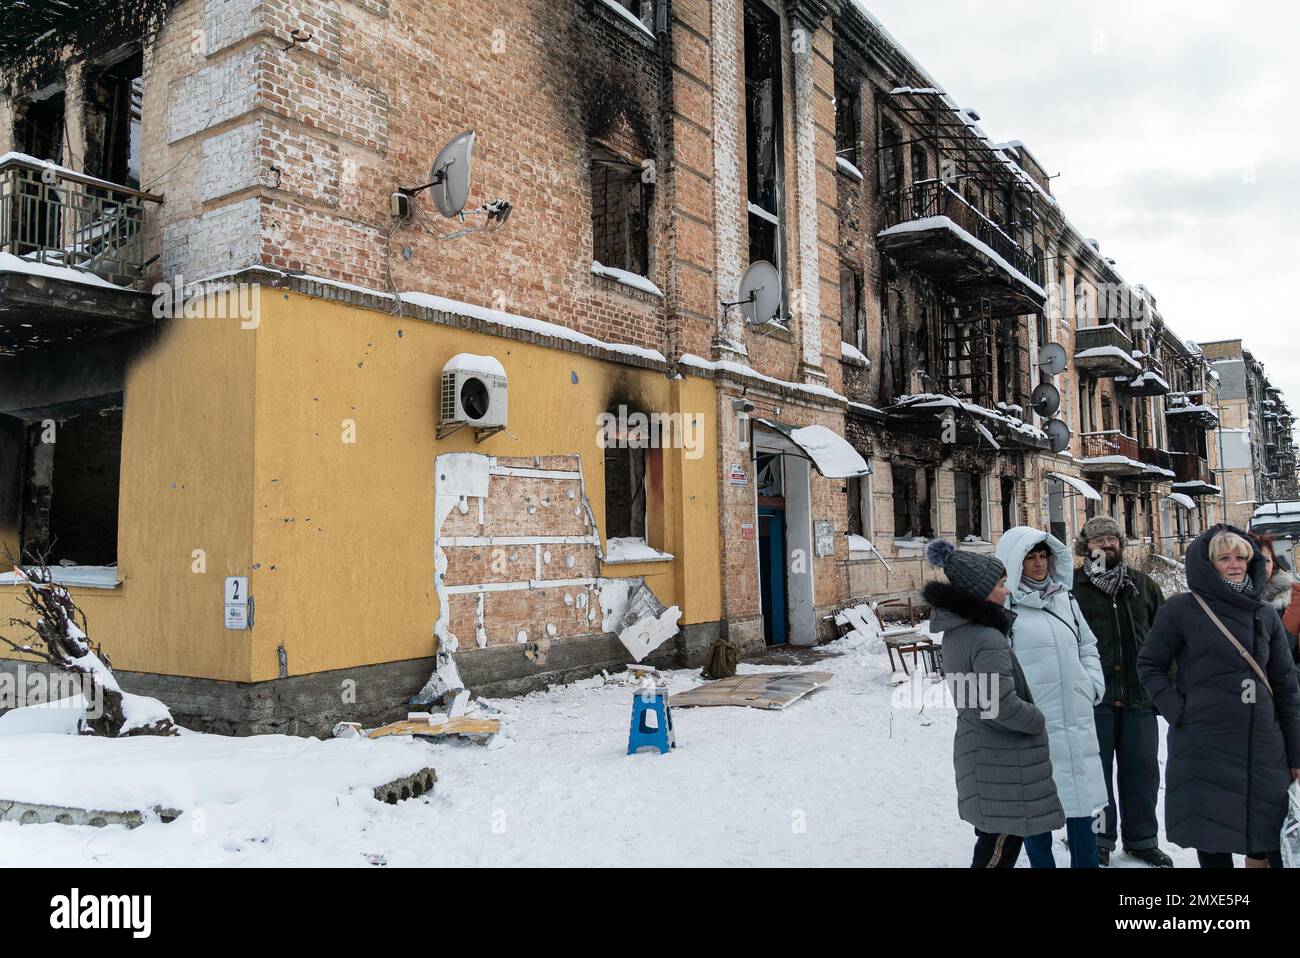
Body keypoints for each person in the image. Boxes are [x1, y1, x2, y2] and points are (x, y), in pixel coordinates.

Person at [1138, 526, 1300, 868]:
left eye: (1241, 557)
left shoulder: (1265, 614)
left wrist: (1295, 753)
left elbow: (1286, 687)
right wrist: (1179, 711)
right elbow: (1150, 665)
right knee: (1211, 835)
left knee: (1268, 835)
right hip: (1204, 743)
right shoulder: (1181, 609)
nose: (1235, 564)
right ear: (1208, 564)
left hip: (1263, 745)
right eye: (1224, 558)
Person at [924, 538, 1065, 868]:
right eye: (1002, 585)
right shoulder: (985, 637)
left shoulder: (961, 631)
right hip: (1001, 760)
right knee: (997, 851)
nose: (1008, 591)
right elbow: (998, 704)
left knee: (993, 843)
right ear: (982, 592)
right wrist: (1037, 718)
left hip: (985, 754)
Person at [996, 528, 1107, 868]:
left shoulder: (1065, 599)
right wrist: (1019, 710)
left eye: (1043, 556)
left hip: (1077, 719)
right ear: (1015, 563)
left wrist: (1091, 685)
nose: (1039, 564)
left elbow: (1087, 645)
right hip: (1035, 724)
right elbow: (997, 666)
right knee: (1037, 808)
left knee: (1083, 803)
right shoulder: (1006, 610)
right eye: (1030, 557)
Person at [1071, 515, 1173, 867]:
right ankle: (1098, 838)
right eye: (1098, 540)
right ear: (1086, 546)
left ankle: (1142, 839)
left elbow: (1164, 639)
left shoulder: (1143, 585)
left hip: (1139, 696)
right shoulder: (1072, 587)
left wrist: (1166, 689)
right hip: (1093, 698)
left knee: (1143, 771)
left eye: (1113, 539)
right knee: (1094, 774)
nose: (1107, 544)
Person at [1252, 534, 1300, 655]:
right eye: (1255, 560)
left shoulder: (1293, 601)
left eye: (1267, 560)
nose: (1262, 566)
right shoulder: (1231, 603)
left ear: (1274, 564)